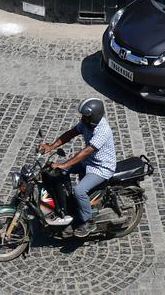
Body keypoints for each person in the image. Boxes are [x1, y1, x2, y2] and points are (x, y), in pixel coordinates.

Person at [39, 98, 116, 238]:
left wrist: (65, 164)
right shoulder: (86, 124)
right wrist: (51, 146)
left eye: (85, 116)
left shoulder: (102, 131)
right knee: (57, 171)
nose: (82, 118)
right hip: (89, 162)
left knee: (79, 191)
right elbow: (71, 133)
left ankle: (88, 221)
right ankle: (65, 207)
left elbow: (85, 152)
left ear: (93, 117)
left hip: (101, 168)